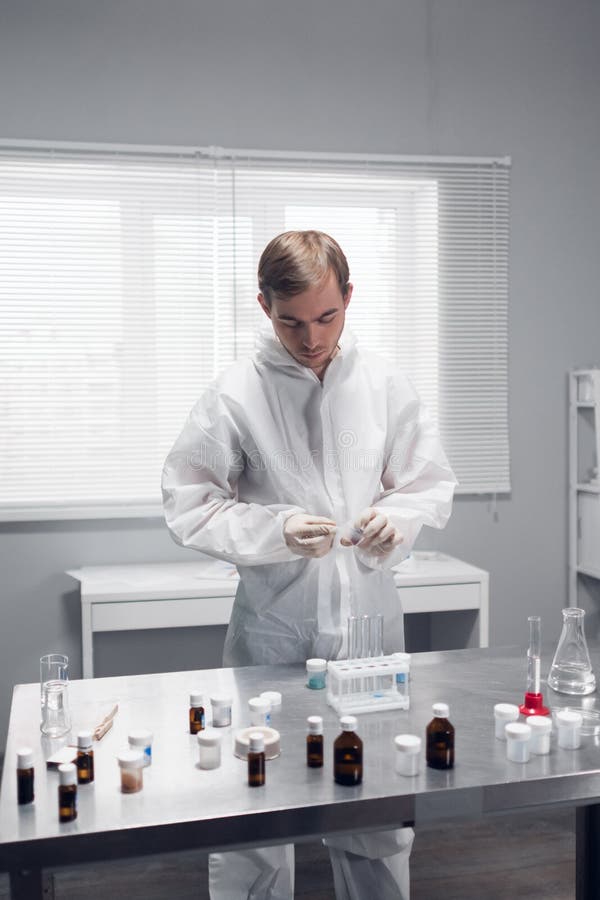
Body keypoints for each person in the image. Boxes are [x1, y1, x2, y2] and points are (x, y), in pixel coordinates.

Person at [162, 230, 457, 899]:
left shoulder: (382, 382)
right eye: (291, 321)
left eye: (326, 317)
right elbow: (187, 502)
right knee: (252, 816)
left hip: (369, 638)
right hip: (272, 636)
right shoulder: (235, 392)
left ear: (348, 298)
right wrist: (275, 528)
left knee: (376, 816)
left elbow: (427, 482)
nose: (312, 337)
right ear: (264, 306)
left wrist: (398, 520)